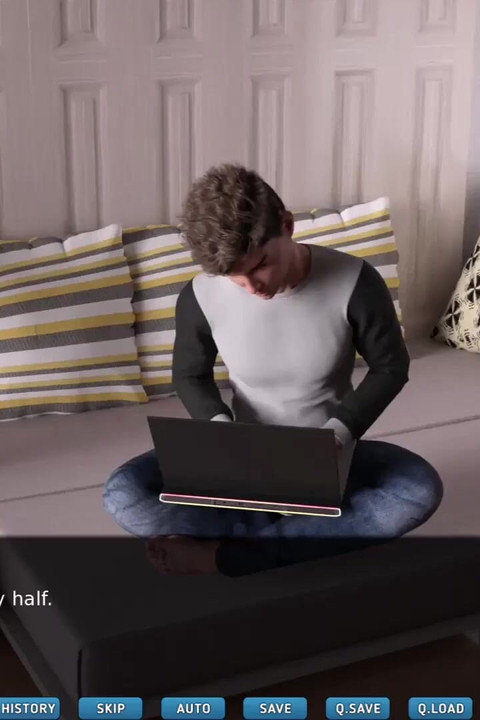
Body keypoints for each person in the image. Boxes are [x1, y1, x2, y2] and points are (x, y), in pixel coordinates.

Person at [103, 163, 443, 576]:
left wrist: (339, 433)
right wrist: (217, 427)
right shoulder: (199, 295)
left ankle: (224, 553)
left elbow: (390, 367)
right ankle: (298, 536)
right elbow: (190, 375)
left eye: (260, 264)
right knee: (123, 493)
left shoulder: (355, 281)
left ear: (287, 225)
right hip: (237, 457)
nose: (252, 287)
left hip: (330, 453)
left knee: (417, 490)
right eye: (235, 278)